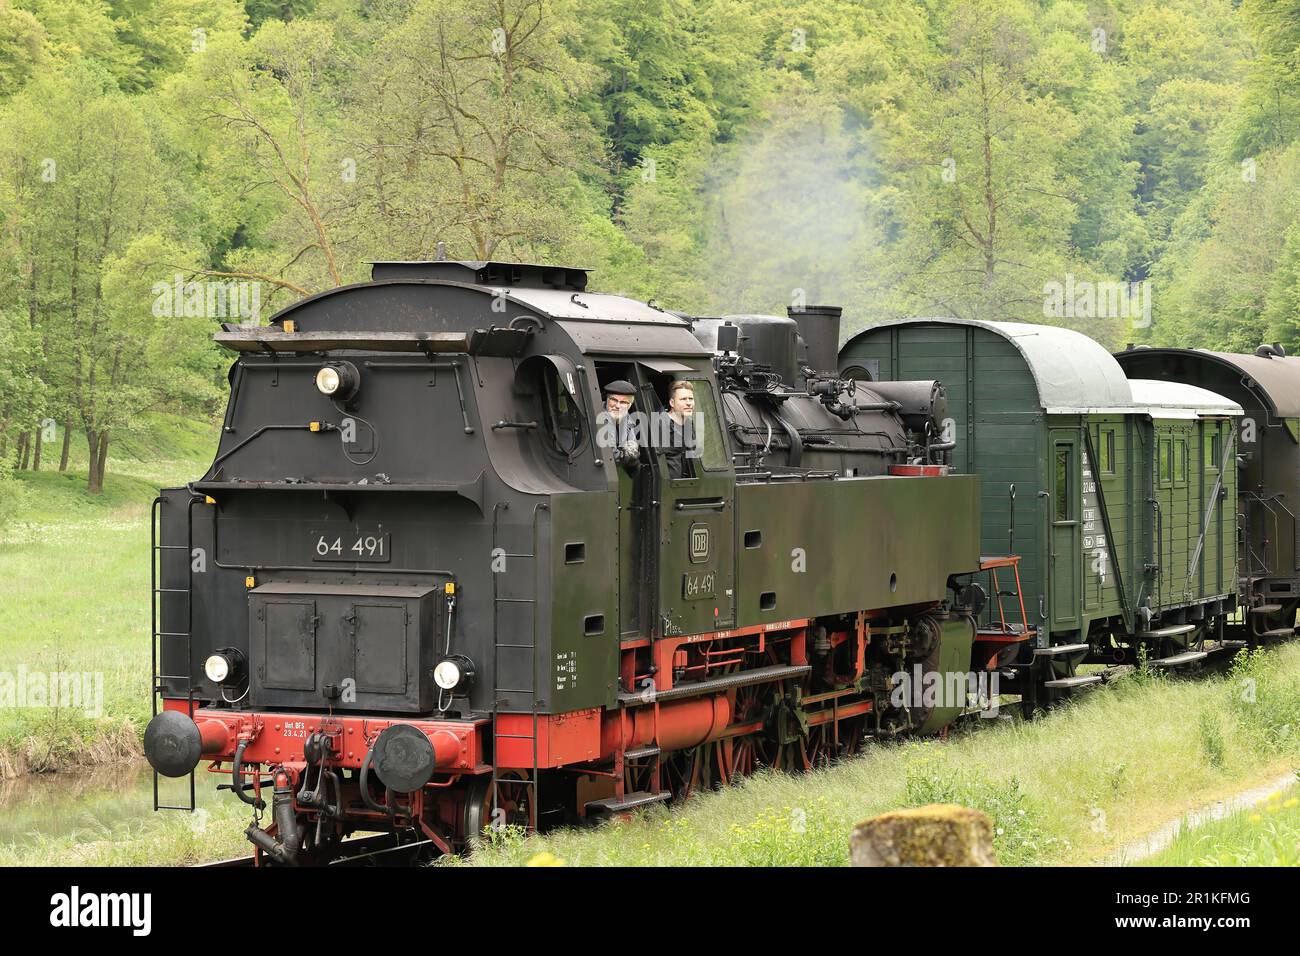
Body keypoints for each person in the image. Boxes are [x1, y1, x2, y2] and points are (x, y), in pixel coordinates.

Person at [602, 379, 641, 468]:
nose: (618, 406)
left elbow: (632, 450)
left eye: (623, 402)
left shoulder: (627, 420)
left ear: (629, 405)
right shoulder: (598, 416)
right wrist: (624, 455)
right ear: (607, 399)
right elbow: (610, 454)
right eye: (614, 400)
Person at [663, 380, 697, 480]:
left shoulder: (689, 424)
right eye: (683, 399)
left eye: (691, 399)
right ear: (672, 402)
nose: (689, 403)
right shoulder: (660, 425)